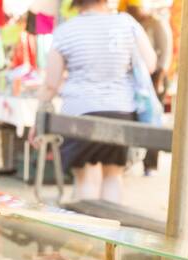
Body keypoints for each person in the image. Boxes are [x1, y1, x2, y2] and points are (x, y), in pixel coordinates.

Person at [37, 0, 156, 203]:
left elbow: (51, 84)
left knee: (86, 179)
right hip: (121, 112)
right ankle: (109, 230)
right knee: (114, 175)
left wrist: (39, 114)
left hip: (80, 115)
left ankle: (88, 232)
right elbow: (150, 64)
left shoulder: (66, 31)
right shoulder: (126, 24)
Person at [125, 0, 171, 175]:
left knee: (153, 121)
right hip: (137, 78)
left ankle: (150, 165)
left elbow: (165, 54)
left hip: (154, 78)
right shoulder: (130, 23)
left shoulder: (156, 23)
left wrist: (158, 80)